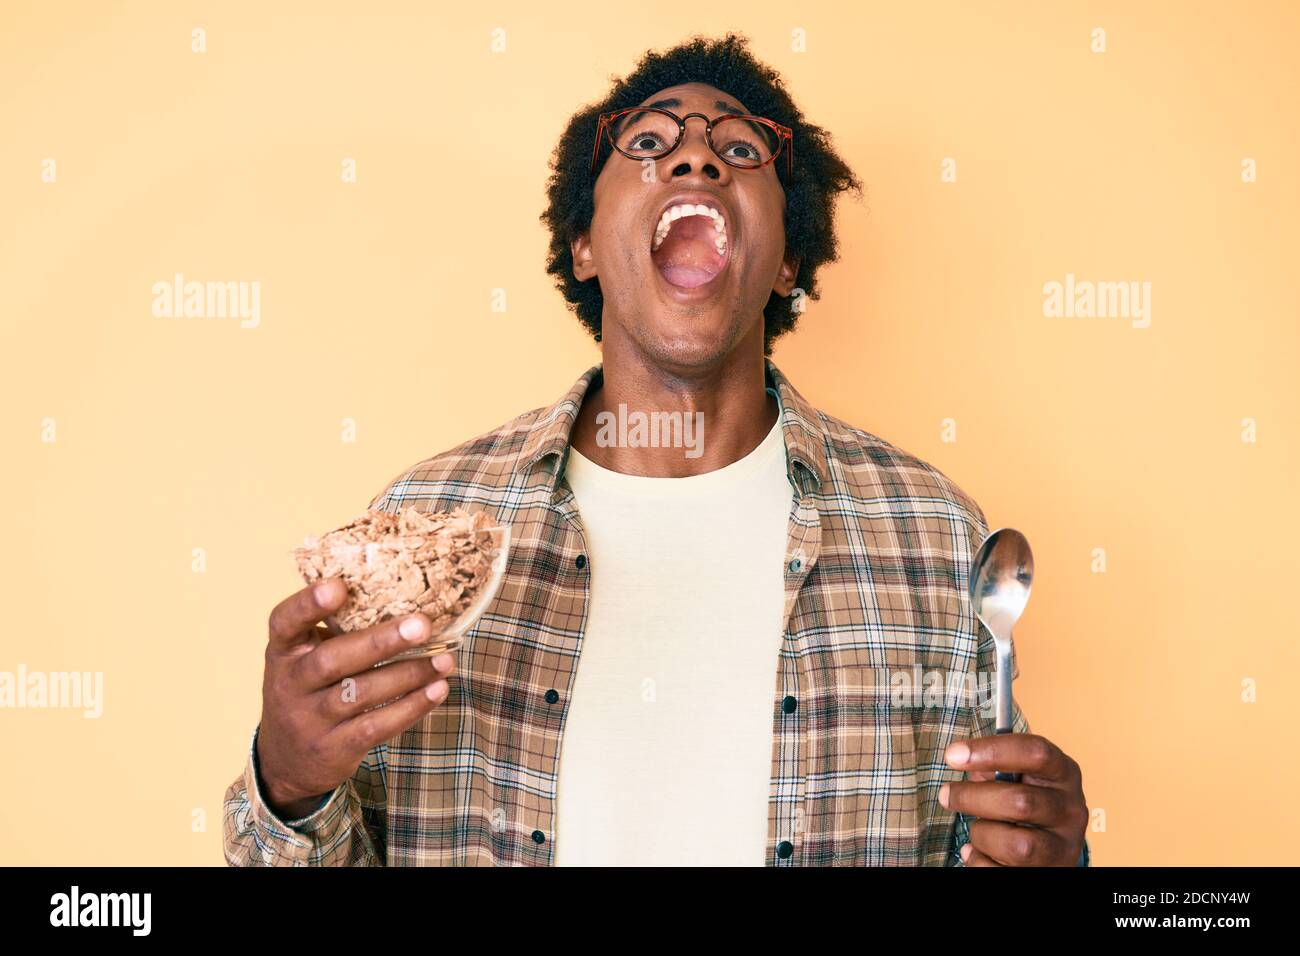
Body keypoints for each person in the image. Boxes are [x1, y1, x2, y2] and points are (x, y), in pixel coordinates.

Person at [223, 33, 1089, 866]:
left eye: (743, 151)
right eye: (648, 141)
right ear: (586, 245)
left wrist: (1055, 857)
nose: (698, 158)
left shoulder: (933, 535)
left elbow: (988, 838)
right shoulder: (431, 529)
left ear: (788, 258)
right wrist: (289, 787)